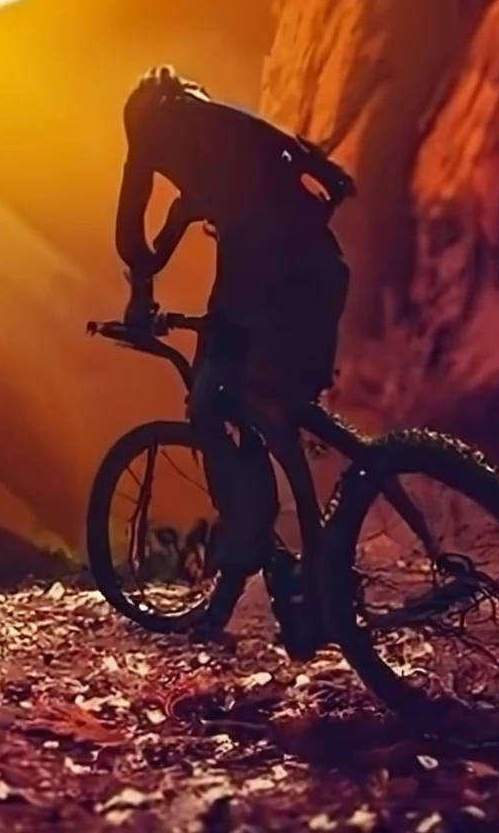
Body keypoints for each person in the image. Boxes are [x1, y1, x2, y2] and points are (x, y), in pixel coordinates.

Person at [114, 65, 354, 648]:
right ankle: (276, 570)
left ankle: (306, 569)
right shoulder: (233, 141)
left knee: (225, 404)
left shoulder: (154, 136)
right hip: (318, 271)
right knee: (260, 401)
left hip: (262, 276)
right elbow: (326, 181)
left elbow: (132, 243)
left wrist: (140, 305)